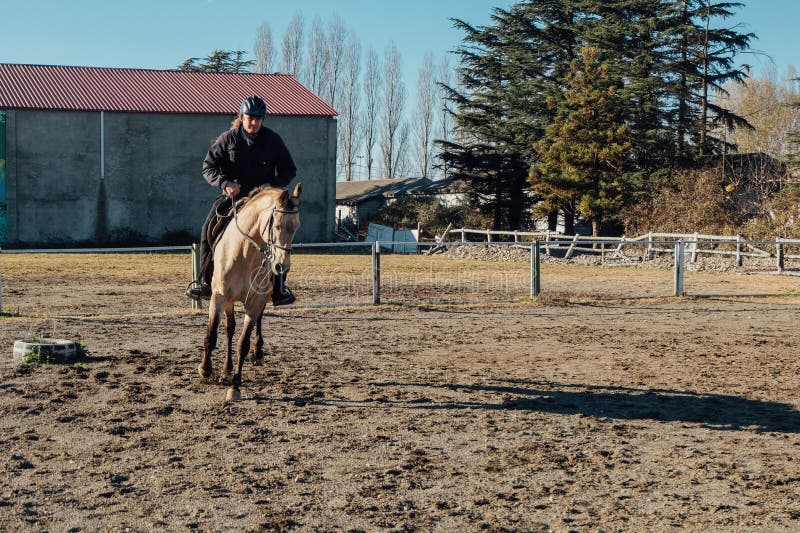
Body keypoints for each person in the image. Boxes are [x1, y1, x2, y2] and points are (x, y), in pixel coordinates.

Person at [186, 95, 297, 305]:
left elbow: (289, 170)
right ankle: (205, 283)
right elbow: (208, 167)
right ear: (242, 117)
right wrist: (225, 183)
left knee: (280, 234)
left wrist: (271, 186)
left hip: (264, 202)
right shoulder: (228, 138)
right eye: (249, 118)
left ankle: (279, 288)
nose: (253, 122)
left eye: (257, 118)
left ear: (263, 119)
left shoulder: (273, 140)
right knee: (207, 230)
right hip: (233, 197)